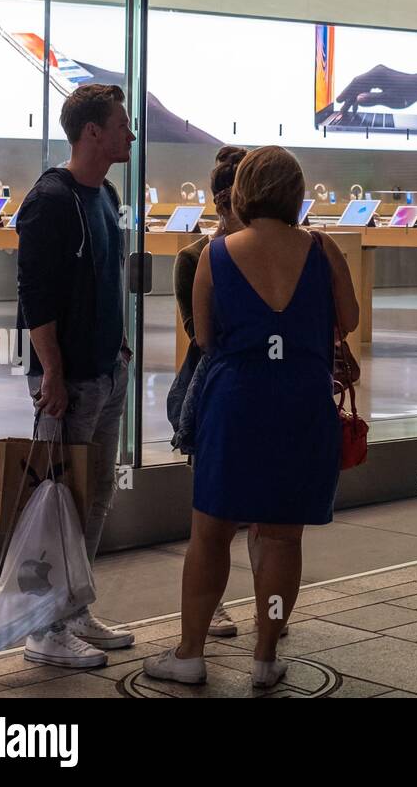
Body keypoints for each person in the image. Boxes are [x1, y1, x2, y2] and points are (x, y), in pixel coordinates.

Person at [144, 146, 359, 688]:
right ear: (296, 194)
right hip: (302, 403)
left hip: (235, 403)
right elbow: (349, 319)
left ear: (240, 192)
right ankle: (265, 657)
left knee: (209, 535)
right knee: (283, 539)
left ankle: (191, 654)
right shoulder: (323, 248)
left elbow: (207, 336)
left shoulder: (215, 255)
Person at [16, 83, 137, 668]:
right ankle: (43, 629)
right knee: (59, 499)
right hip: (69, 385)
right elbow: (33, 298)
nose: (130, 135)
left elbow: (108, 279)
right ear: (92, 132)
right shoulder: (50, 201)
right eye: (122, 126)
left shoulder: (106, 193)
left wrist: (118, 345)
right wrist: (53, 375)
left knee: (93, 498)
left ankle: (73, 608)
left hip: (107, 373)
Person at [170, 145, 263, 641]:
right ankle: (216, 609)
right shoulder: (197, 257)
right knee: (216, 513)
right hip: (215, 389)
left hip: (242, 387)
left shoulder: (271, 252)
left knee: (259, 517)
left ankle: (262, 610)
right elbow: (199, 333)